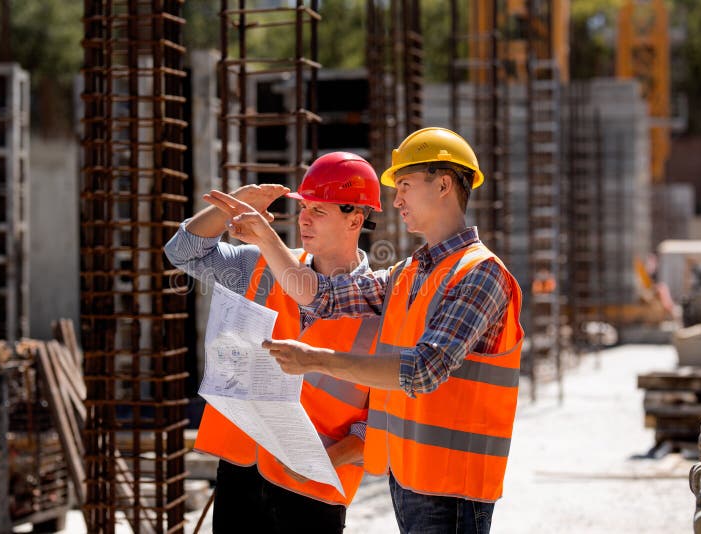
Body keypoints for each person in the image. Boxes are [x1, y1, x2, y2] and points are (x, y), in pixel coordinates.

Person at [204, 127, 524, 534]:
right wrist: (265, 237)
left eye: (405, 185)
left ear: (443, 185)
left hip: (455, 487)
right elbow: (320, 296)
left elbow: (423, 369)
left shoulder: (480, 273)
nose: (396, 200)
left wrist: (316, 360)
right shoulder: (408, 274)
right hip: (410, 478)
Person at [164, 152, 382, 533]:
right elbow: (182, 252)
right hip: (241, 475)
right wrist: (236, 204)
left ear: (355, 220)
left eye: (318, 210)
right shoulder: (260, 265)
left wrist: (326, 459)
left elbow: (383, 421)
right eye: (303, 207)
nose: (303, 219)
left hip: (314, 492)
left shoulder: (379, 306)